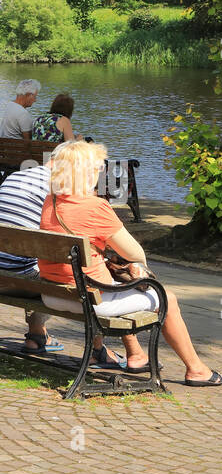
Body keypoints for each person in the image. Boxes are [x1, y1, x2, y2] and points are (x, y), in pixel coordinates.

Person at [40, 140, 221, 386]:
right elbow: (136, 254)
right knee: (167, 298)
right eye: (96, 168)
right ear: (85, 172)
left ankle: (136, 355)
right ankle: (196, 369)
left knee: (117, 282)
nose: (100, 173)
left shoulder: (50, 202)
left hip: (54, 294)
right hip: (91, 300)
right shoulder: (96, 207)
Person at [0, 162, 140, 368]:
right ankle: (111, 351)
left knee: (51, 267)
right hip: (14, 278)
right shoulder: (59, 191)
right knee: (71, 277)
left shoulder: (18, 176)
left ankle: (36, 336)